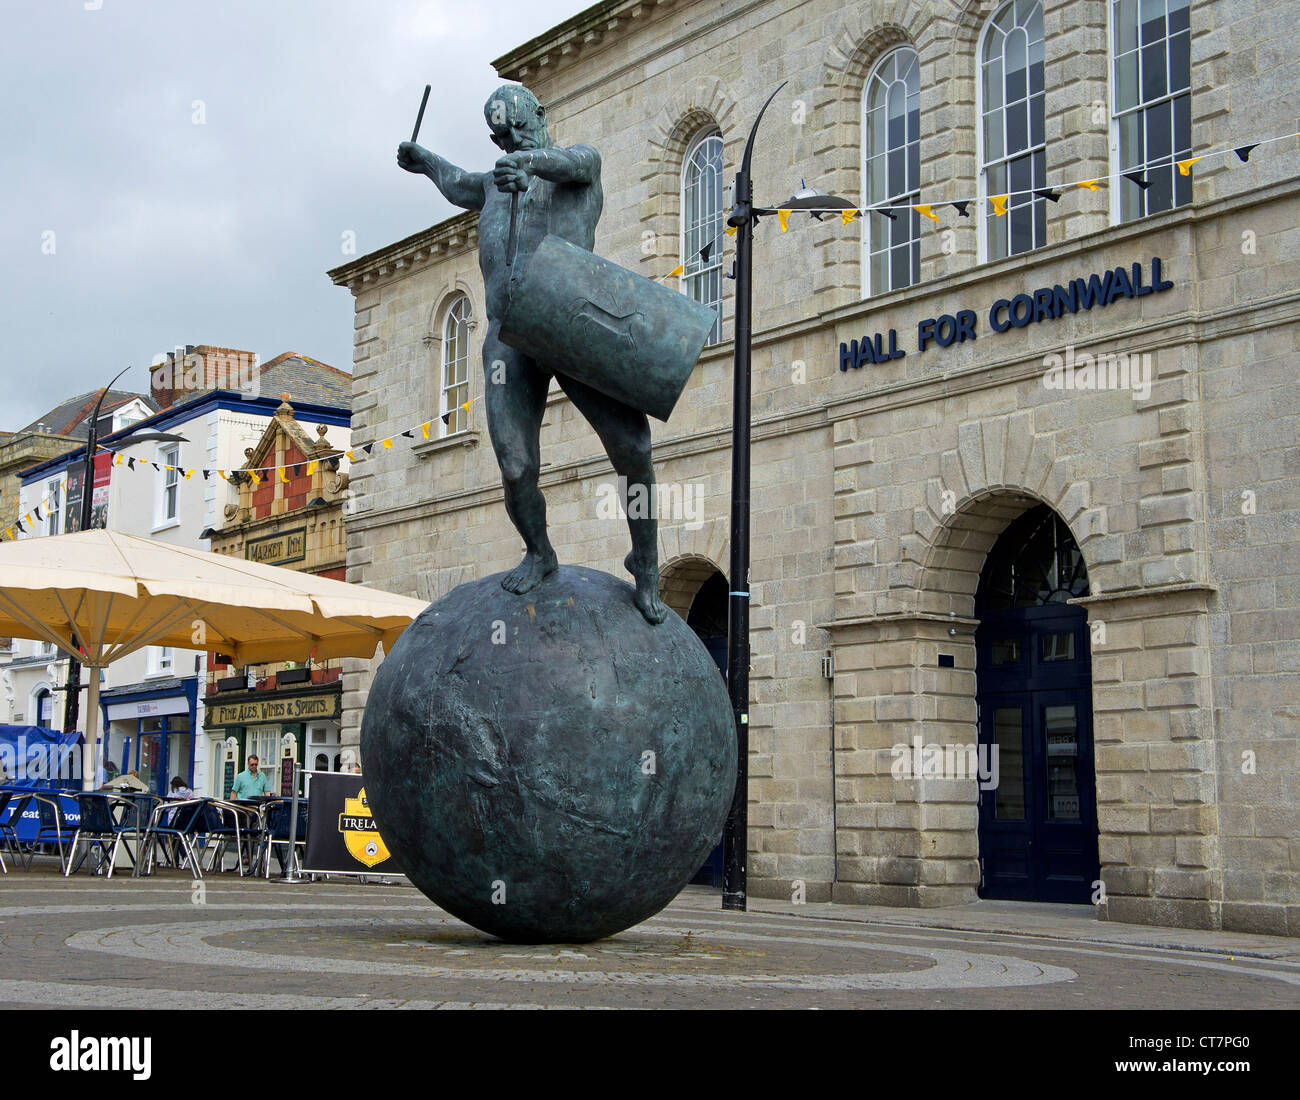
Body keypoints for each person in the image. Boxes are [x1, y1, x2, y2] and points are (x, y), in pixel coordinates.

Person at [397, 84, 667, 624]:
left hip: (570, 321)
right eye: (499, 137)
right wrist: (425, 161)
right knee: (517, 466)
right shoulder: (495, 185)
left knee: (632, 447)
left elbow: (565, 162)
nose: (508, 143)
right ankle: (539, 551)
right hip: (508, 336)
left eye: (517, 129)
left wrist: (527, 160)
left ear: (540, 116)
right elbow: (458, 185)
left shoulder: (579, 165)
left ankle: (648, 562)